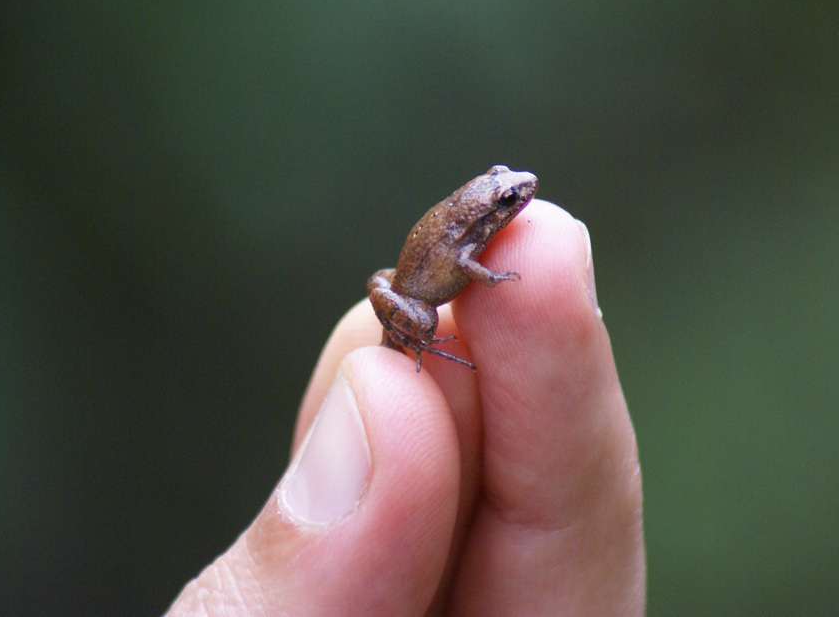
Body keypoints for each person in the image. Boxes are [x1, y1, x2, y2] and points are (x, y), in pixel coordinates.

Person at [166, 200, 646, 615]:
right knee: (425, 328)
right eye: (506, 200)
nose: (518, 201)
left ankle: (412, 341)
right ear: (488, 212)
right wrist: (494, 278)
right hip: (414, 296)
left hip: (395, 280)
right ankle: (418, 343)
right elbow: (465, 260)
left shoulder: (476, 222)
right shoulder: (471, 236)